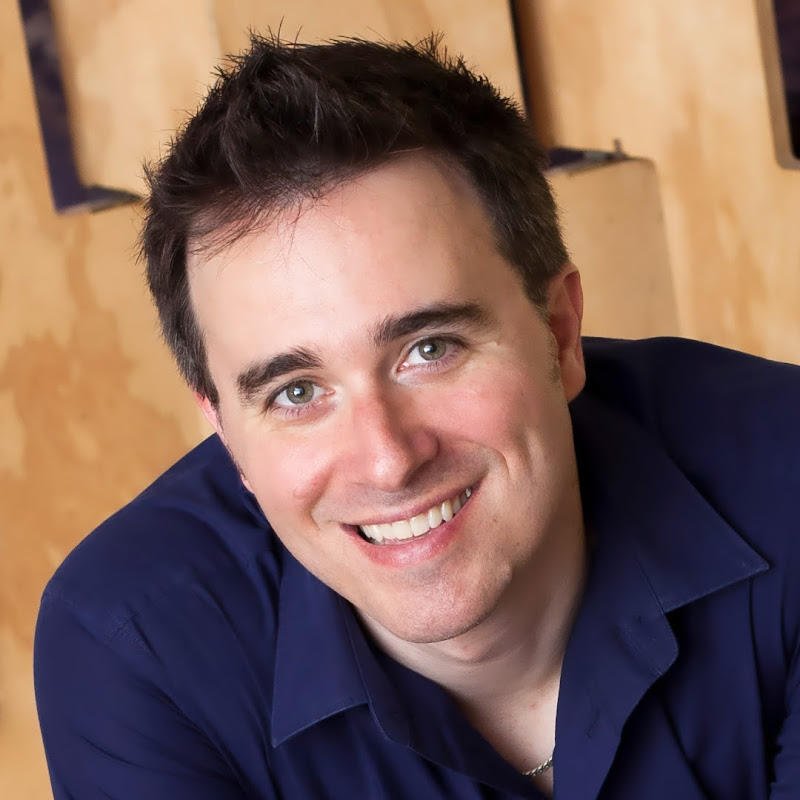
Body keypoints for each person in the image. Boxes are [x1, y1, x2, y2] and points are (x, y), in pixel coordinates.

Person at [33, 34, 800, 800]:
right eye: (296, 392)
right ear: (227, 433)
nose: (388, 459)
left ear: (560, 334)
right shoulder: (136, 649)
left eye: (429, 349)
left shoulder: (786, 474)